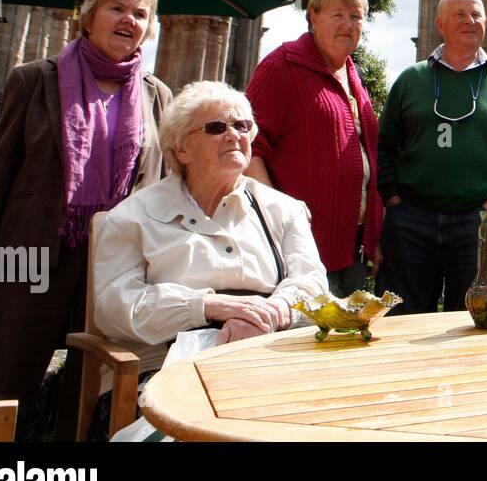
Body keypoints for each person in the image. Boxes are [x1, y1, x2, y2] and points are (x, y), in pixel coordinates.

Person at [0, 0, 171, 437]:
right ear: (88, 18)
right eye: (116, 8)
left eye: (140, 13)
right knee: (4, 385)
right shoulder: (33, 79)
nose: (128, 19)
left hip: (112, 266)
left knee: (89, 390)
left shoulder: (157, 95)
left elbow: (160, 187)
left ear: (148, 29)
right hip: (27, 259)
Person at [94, 81, 328, 364]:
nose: (233, 135)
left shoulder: (285, 210)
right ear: (181, 149)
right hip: (166, 369)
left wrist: (273, 312)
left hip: (266, 358)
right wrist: (207, 306)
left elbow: (312, 283)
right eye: (216, 128)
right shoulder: (132, 217)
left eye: (242, 126)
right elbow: (113, 308)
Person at [375, 0, 487, 314]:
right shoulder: (411, 79)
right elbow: (384, 145)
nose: (469, 21)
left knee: (475, 319)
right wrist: (392, 197)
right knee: (401, 317)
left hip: (476, 223)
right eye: (459, 14)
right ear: (440, 23)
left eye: (476, 14)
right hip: (412, 222)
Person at [246, 0, 381, 297]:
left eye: (355, 17)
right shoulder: (283, 65)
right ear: (313, 16)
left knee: (348, 340)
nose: (347, 25)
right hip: (300, 249)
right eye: (337, 15)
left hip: (353, 248)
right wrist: (277, 222)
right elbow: (248, 149)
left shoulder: (352, 75)